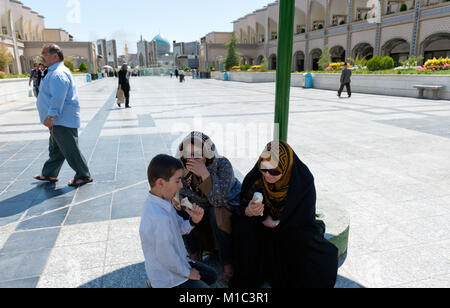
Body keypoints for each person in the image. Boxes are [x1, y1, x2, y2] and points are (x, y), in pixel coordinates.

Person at [229, 141, 338, 288]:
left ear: (286, 167)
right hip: (262, 224)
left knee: (307, 243)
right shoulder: (256, 177)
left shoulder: (302, 179)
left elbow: (304, 216)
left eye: (275, 171)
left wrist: (277, 224)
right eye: (264, 169)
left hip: (291, 225)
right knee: (242, 226)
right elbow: (242, 207)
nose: (268, 175)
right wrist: (248, 211)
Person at [139, 154, 218, 288]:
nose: (181, 185)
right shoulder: (158, 218)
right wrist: (188, 273)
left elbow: (179, 227)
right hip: (170, 278)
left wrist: (193, 221)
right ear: (160, 183)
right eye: (177, 181)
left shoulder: (162, 201)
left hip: (179, 262)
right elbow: (166, 257)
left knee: (212, 276)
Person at [175, 132, 241, 284]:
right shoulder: (180, 168)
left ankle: (227, 262)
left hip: (226, 213)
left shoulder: (222, 165)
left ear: (207, 153)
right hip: (200, 214)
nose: (193, 158)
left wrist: (205, 174)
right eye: (188, 154)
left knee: (216, 211)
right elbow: (174, 190)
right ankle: (194, 251)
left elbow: (219, 200)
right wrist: (176, 197)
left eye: (198, 153)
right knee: (179, 208)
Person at [33, 44, 93, 187]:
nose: (42, 57)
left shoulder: (58, 73)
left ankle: (83, 175)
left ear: (55, 56)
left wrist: (51, 115)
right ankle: (49, 173)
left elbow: (58, 97)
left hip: (62, 119)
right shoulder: (54, 71)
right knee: (56, 148)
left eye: (45, 54)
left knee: (70, 148)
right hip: (58, 120)